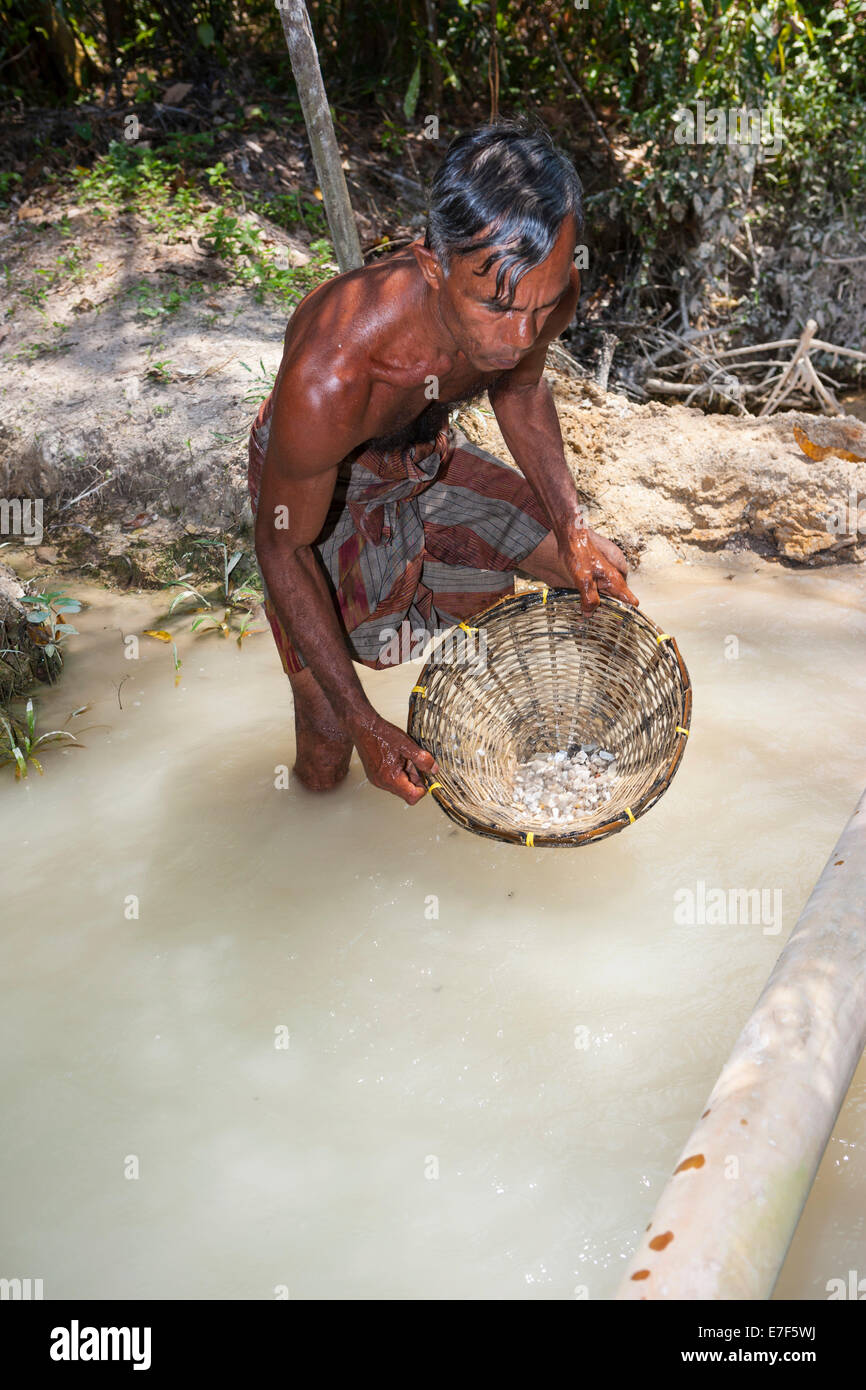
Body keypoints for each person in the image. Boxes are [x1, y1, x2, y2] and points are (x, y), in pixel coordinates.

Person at [249, 117, 638, 805]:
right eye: (495, 307)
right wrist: (366, 721)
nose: (520, 336)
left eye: (541, 308)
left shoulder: (536, 290)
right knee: (328, 735)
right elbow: (283, 546)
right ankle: (307, 837)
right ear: (432, 265)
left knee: (589, 574)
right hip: (317, 490)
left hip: (425, 454)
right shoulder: (334, 375)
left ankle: (545, 753)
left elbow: (520, 391)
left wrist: (573, 528)